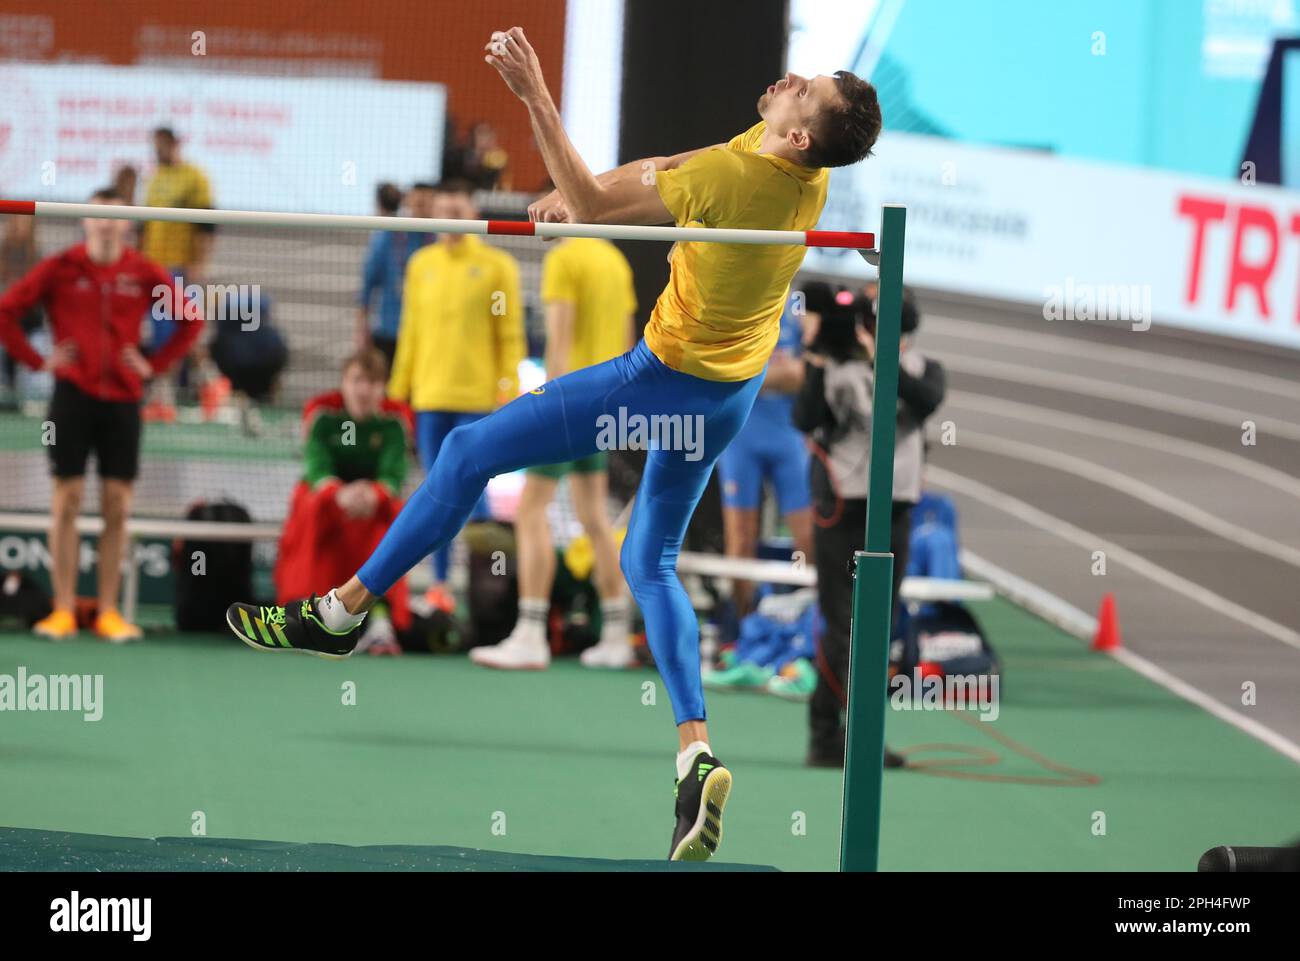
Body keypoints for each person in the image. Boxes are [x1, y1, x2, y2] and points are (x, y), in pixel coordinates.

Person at [226, 26, 881, 862]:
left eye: (804, 89)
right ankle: (694, 753)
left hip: (663, 380)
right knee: (649, 559)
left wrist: (537, 97)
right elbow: (669, 167)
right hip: (731, 392)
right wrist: (584, 190)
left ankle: (340, 612)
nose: (790, 78)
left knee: (465, 452)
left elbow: (621, 206)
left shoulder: (735, 177)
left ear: (797, 133)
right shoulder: (802, 171)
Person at [0, 188, 202, 641]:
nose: (106, 224)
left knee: (117, 505)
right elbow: (6, 311)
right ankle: (64, 609)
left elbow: (191, 319)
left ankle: (109, 610)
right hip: (70, 399)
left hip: (125, 402)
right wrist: (39, 361)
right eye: (98, 217)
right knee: (66, 501)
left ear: (127, 225)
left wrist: (154, 365)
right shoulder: (61, 267)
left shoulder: (143, 271)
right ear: (84, 222)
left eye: (115, 218)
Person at [469, 232, 638, 671]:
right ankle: (617, 635)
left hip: (569, 403)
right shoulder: (615, 260)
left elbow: (559, 348)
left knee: (530, 509)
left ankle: (530, 632)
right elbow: (627, 342)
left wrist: (549, 406)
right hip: (605, 403)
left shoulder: (564, 259)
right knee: (594, 516)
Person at [792, 282, 945, 769]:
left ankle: (864, 737)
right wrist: (817, 355)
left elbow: (924, 401)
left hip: (893, 512)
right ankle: (823, 737)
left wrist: (882, 358)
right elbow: (804, 417)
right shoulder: (835, 367)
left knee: (878, 630)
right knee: (840, 626)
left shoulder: (924, 372)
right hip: (843, 508)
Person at [386, 179, 524, 613]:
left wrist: (508, 389)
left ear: (473, 212)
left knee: (473, 490)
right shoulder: (420, 264)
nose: (451, 219)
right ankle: (442, 585)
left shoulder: (499, 266)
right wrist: (397, 392)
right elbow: (409, 332)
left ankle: (488, 595)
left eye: (459, 210)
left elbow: (510, 334)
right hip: (429, 398)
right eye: (443, 210)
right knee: (437, 490)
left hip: (477, 399)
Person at [273, 348, 413, 657]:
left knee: (396, 514)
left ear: (383, 386)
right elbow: (315, 467)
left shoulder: (393, 423)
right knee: (309, 503)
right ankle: (305, 615)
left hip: (370, 503)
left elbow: (393, 474)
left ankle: (379, 622)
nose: (364, 390)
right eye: (357, 380)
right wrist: (340, 493)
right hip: (331, 501)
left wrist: (372, 494)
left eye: (373, 382)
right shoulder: (324, 416)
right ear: (344, 383)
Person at [715, 291, 813, 618]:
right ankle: (743, 627)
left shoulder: (797, 306)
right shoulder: (735, 301)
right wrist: (774, 375)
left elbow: (804, 374)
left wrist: (754, 374)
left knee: (809, 537)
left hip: (788, 437)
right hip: (741, 439)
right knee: (740, 539)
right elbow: (726, 372)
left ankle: (807, 624)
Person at [140, 127, 214, 422]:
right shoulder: (154, 180)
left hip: (179, 268)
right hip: (153, 268)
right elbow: (145, 226)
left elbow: (207, 226)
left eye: (161, 145)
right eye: (154, 146)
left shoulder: (194, 177)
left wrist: (198, 263)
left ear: (174, 144)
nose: (157, 151)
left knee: (178, 331)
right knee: (164, 334)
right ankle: (204, 384)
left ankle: (176, 393)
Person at [356, 182, 436, 369]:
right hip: (389, 332)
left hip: (427, 335)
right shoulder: (387, 234)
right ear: (407, 201)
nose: (422, 206)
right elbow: (367, 287)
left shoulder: (440, 240)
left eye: (427, 201)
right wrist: (361, 330)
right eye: (418, 201)